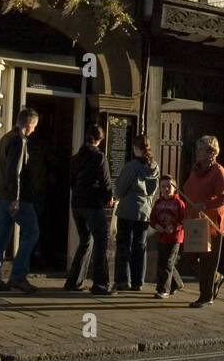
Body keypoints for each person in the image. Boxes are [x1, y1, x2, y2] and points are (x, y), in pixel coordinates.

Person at [0, 108, 40, 292]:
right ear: (30, 123)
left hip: (0, 194)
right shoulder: (19, 140)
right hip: (16, 197)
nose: (34, 130)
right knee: (32, 232)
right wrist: (15, 198)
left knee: (1, 236)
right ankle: (18, 275)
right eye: (34, 126)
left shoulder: (5, 137)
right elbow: (15, 171)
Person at [65, 123, 116, 295]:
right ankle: (100, 284)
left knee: (85, 240)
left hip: (77, 204)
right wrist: (108, 197)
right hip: (92, 205)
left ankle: (74, 281)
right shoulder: (99, 157)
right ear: (100, 140)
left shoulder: (76, 157)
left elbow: (72, 182)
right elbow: (106, 181)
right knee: (101, 242)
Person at [180, 135, 224, 307]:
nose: (197, 152)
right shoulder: (195, 170)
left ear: (211, 152)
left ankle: (205, 296)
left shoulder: (218, 171)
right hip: (195, 222)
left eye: (201, 149)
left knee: (208, 260)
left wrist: (206, 205)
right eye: (197, 148)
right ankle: (215, 277)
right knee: (190, 258)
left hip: (212, 223)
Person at [113, 134, 159, 291]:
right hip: (144, 210)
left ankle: (122, 280)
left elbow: (120, 188)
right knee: (140, 246)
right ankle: (138, 281)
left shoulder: (131, 166)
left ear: (136, 148)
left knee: (123, 244)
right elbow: (153, 191)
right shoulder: (154, 167)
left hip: (127, 209)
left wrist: (118, 196)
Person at [150, 176, 186, 298]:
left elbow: (183, 220)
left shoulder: (179, 203)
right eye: (163, 186)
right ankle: (176, 283)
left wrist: (174, 227)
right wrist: (156, 225)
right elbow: (152, 218)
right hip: (161, 237)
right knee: (163, 263)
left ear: (174, 188)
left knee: (168, 262)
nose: (166, 189)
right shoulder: (158, 203)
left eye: (168, 186)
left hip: (175, 238)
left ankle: (163, 289)